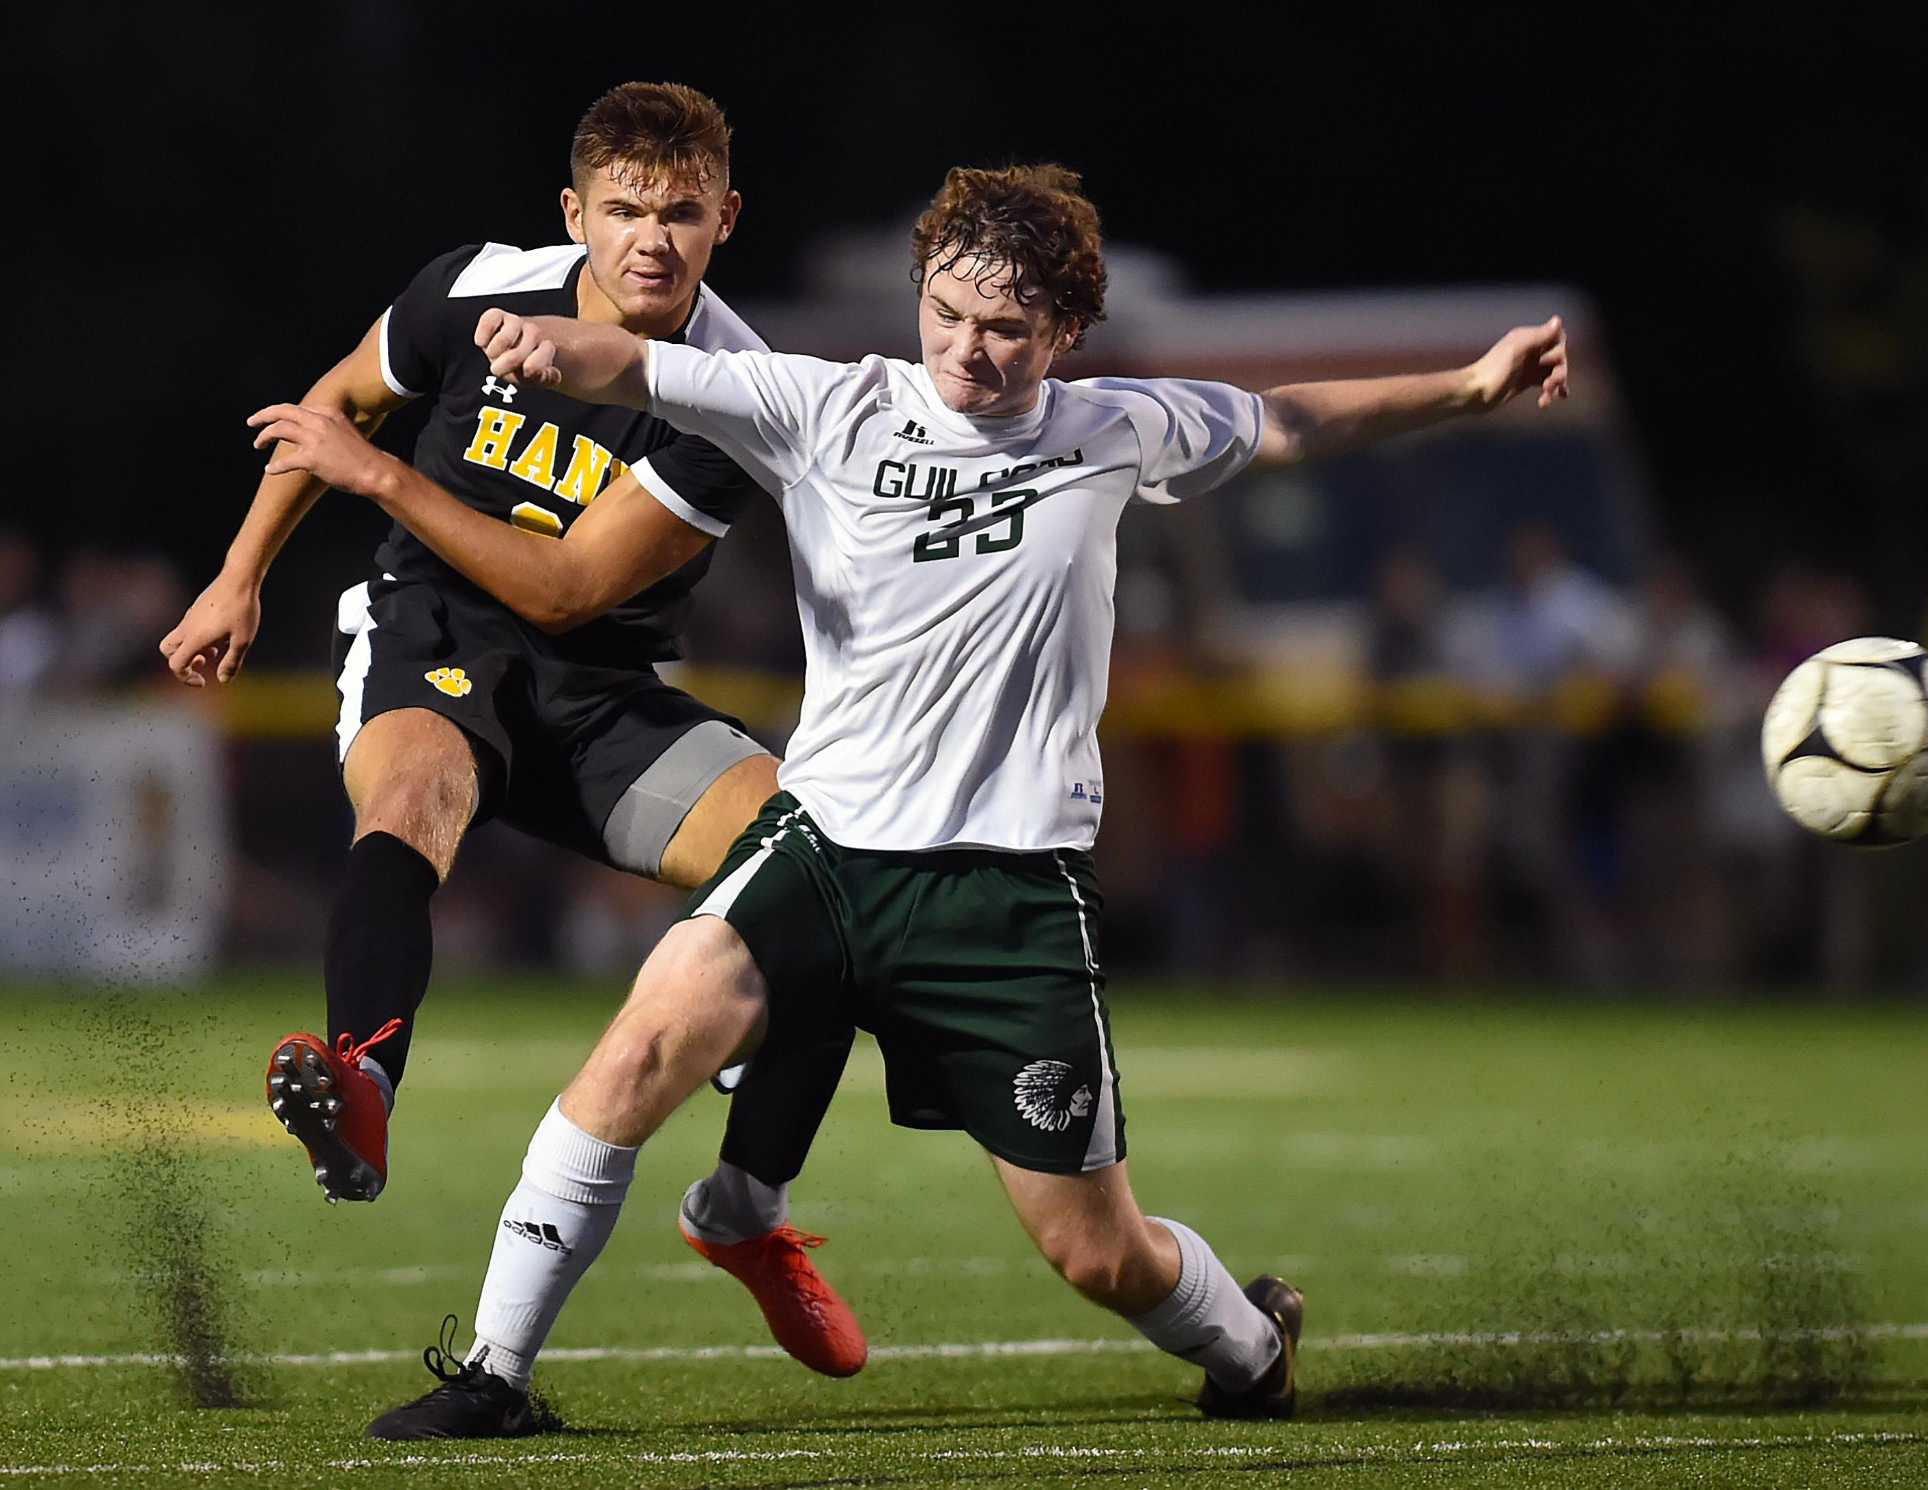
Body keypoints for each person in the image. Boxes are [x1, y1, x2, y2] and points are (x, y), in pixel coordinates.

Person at [252, 162, 1569, 1439]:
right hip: (821, 851)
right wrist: (546, 351)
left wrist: (1469, 383)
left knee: (1095, 1250)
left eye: (1006, 326)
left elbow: (1294, 418)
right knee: (629, 1061)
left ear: (1064, 329)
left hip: (1003, 899)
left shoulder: (1116, 428)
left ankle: (1247, 1343)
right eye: (947, 311)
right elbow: (644, 362)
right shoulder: (830, 405)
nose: (969, 349)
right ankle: (496, 1368)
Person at [165, 82, 863, 1378]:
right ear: (573, 213)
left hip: (600, 682)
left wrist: (375, 480)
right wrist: (240, 572)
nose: (651, 238)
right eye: (624, 210)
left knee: (822, 871)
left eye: (681, 211)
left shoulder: (739, 390)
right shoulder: (476, 285)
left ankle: (745, 1210)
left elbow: (568, 589)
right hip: (434, 635)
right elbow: (345, 402)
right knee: (412, 798)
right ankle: (363, 1082)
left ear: (727, 219)